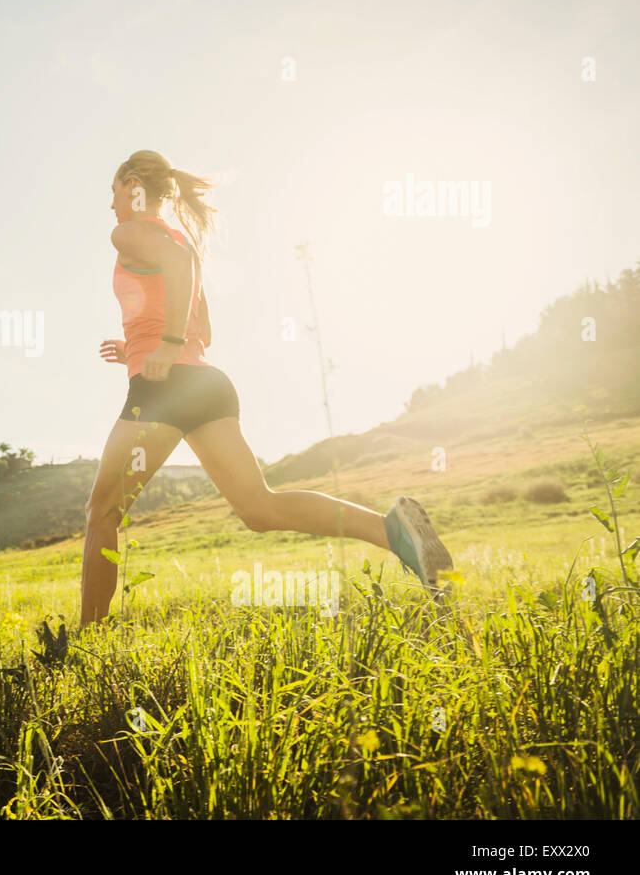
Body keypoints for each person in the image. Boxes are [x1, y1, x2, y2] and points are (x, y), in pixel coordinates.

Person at [79, 149, 453, 627]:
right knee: (260, 507)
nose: (111, 204)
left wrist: (165, 344)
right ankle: (392, 531)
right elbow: (205, 331)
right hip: (205, 385)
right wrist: (141, 342)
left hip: (167, 387)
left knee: (102, 511)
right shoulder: (181, 241)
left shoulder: (128, 232)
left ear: (131, 184)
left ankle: (85, 643)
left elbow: (177, 289)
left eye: (113, 191)